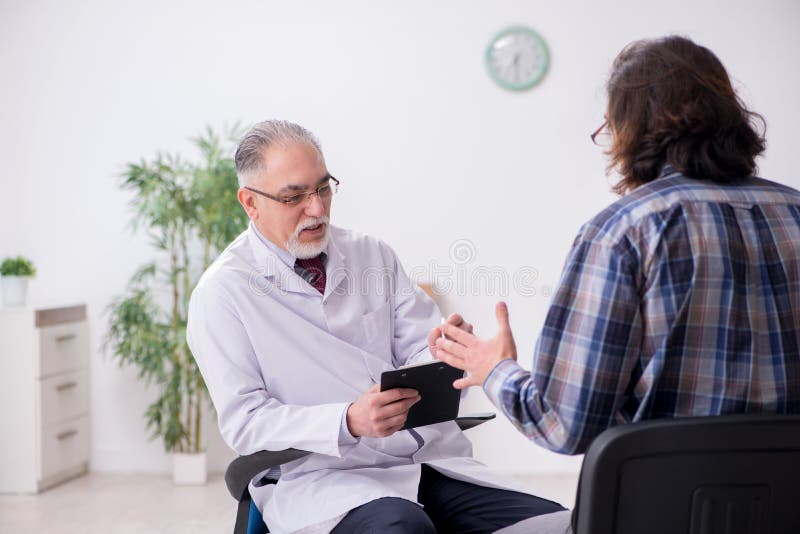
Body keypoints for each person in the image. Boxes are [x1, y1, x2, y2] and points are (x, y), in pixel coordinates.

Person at [435, 33, 800, 476]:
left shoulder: (622, 232)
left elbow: (566, 425)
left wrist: (494, 368)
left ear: (632, 130)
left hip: (668, 506)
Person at [186, 120, 565, 534]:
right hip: (323, 478)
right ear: (250, 202)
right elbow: (246, 422)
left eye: (323, 188)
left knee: (558, 524)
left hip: (427, 462)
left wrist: (444, 353)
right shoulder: (223, 292)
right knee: (403, 528)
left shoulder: (372, 254)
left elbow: (417, 349)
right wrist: (347, 421)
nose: (316, 209)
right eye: (294, 196)